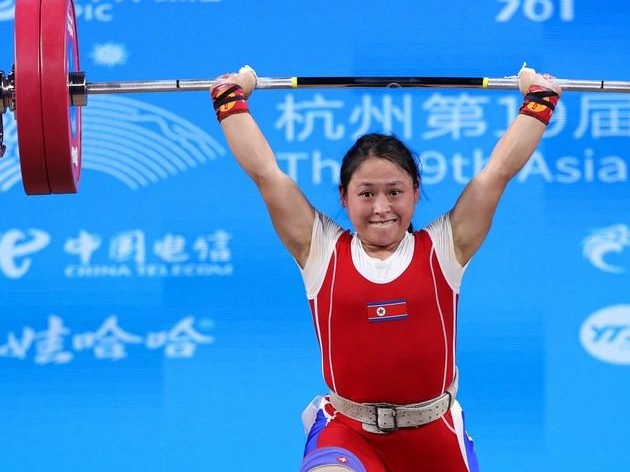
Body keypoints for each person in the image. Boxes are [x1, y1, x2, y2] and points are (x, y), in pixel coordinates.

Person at [210, 65, 562, 472]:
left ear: (415, 193)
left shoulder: (445, 247)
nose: (381, 208)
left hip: (434, 436)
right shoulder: (319, 248)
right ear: (344, 197)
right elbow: (265, 174)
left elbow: (496, 174)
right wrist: (230, 99)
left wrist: (538, 100)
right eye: (366, 193)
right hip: (347, 431)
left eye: (394, 192)